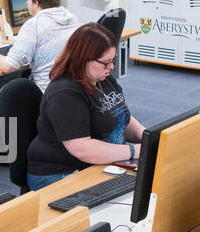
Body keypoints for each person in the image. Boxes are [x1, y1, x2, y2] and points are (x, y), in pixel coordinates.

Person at [25, 23, 144, 190]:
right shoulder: (64, 93)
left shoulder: (102, 77)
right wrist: (133, 151)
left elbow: (120, 115)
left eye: (113, 60)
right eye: (106, 62)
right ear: (82, 59)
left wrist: (146, 135)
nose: (112, 67)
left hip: (100, 160)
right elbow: (82, 148)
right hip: (60, 171)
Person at [0, 0, 80, 91]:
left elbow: (8, 67)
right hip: (72, 89)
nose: (26, 3)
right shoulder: (71, 17)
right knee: (24, 75)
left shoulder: (34, 25)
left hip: (47, 93)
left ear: (36, 3)